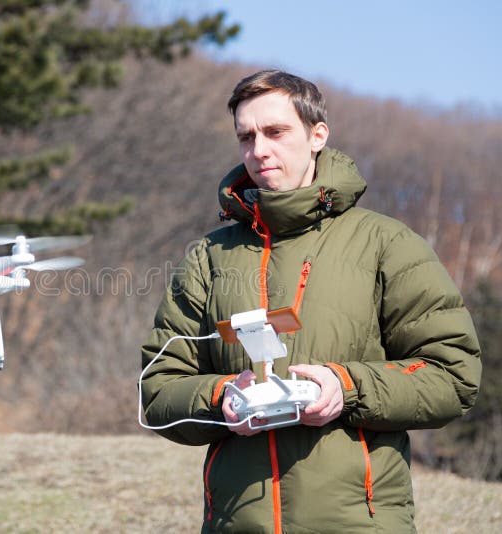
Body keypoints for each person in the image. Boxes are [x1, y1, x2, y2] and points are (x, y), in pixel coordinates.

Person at [139, 70, 482, 533]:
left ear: (317, 135)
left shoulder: (387, 244)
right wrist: (221, 397)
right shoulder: (208, 256)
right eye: (246, 136)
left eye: (275, 132)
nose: (259, 150)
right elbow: (158, 390)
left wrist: (348, 386)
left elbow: (452, 375)